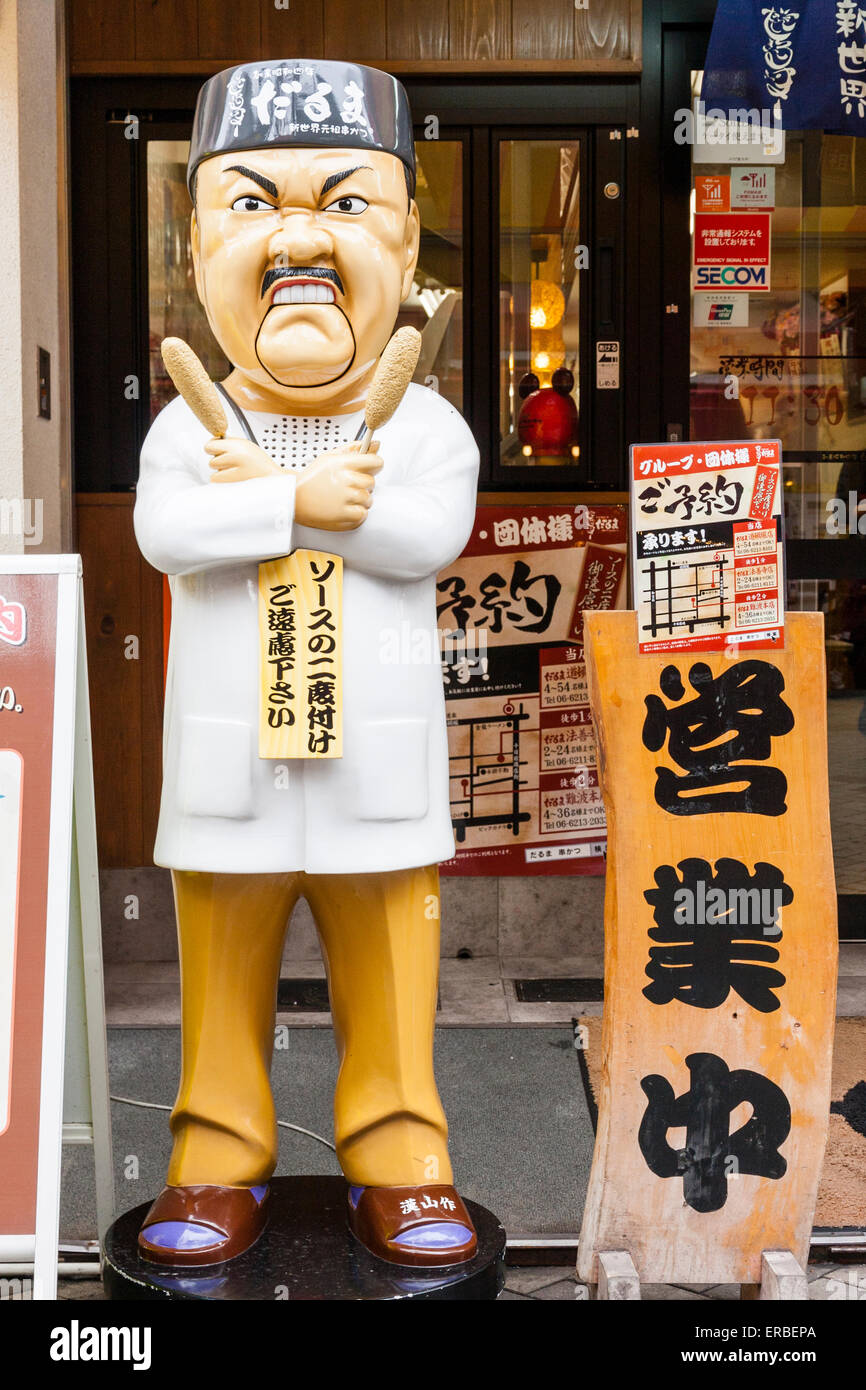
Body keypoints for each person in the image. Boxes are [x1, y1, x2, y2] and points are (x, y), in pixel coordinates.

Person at [133, 59, 480, 1269]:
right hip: (228, 771)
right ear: (193, 251)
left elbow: (424, 535)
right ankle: (217, 1156)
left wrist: (293, 506)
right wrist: (305, 501)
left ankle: (400, 1157)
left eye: (343, 206)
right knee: (219, 976)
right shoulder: (188, 422)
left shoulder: (425, 423)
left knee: (389, 970)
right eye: (251, 205)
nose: (299, 242)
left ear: (404, 236)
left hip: (373, 775)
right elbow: (165, 534)